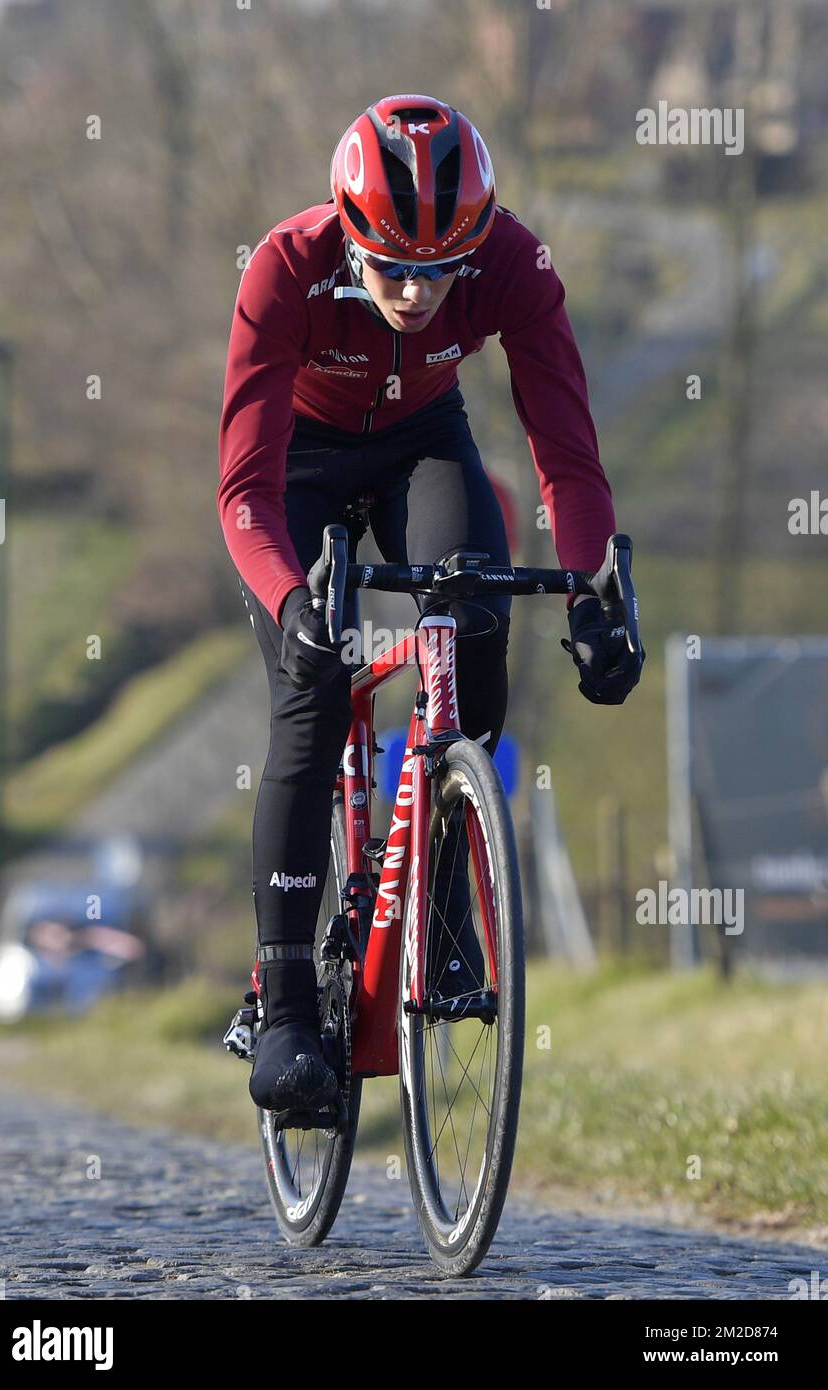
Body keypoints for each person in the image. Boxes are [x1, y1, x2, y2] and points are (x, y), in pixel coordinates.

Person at [218, 94, 644, 1117]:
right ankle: (281, 1007)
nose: (414, 294)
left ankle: (443, 881)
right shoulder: (284, 265)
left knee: (476, 606)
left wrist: (593, 590)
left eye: (437, 269)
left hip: (421, 440)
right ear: (348, 234)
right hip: (301, 463)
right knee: (311, 688)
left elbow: (566, 455)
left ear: (478, 244)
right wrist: (291, 604)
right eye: (391, 268)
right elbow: (243, 493)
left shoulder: (512, 264)